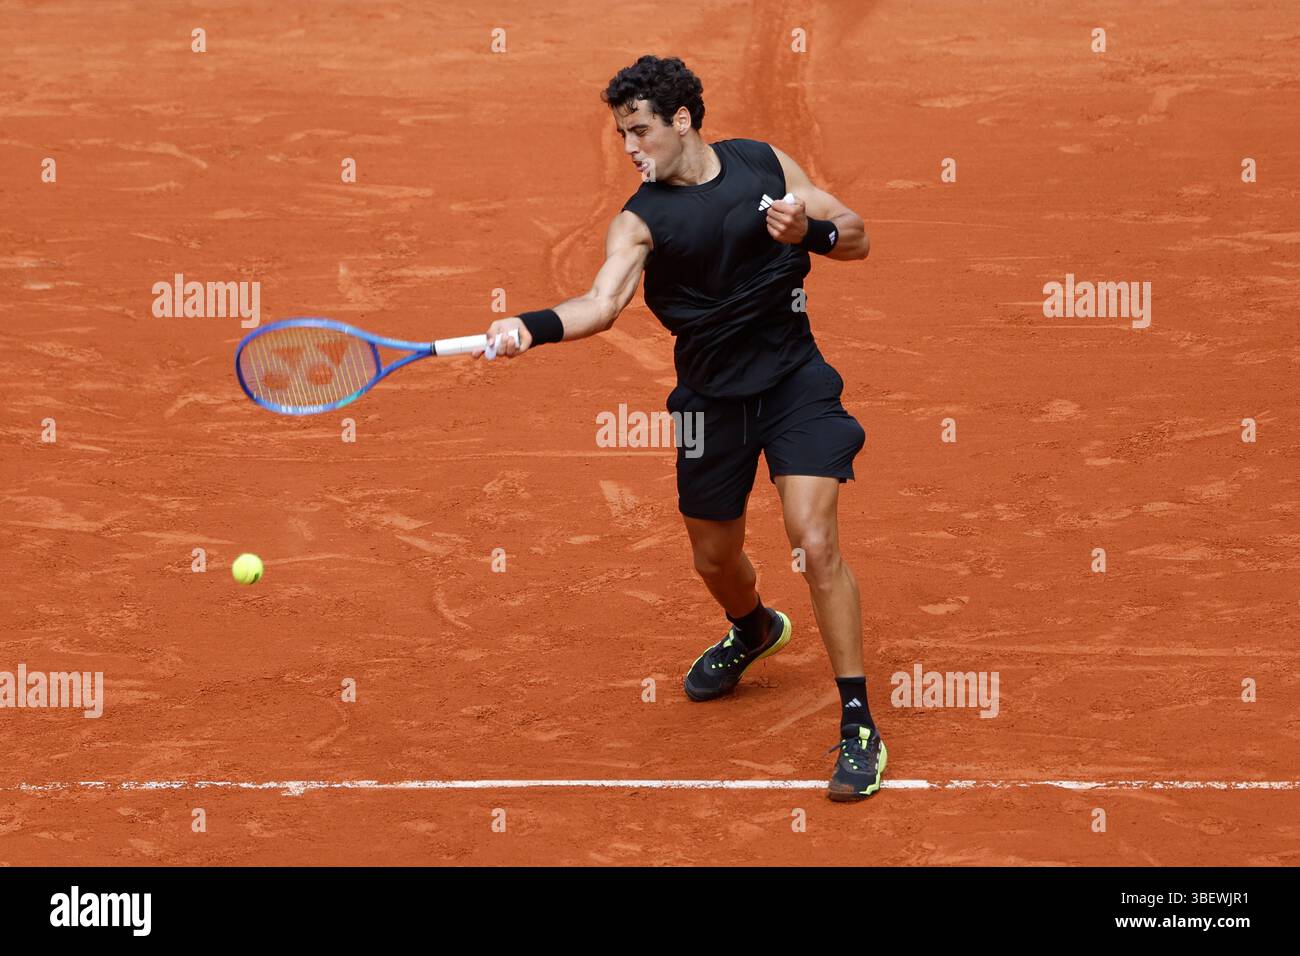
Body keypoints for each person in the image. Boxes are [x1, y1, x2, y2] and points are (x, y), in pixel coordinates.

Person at [476, 55, 885, 800]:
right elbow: (601, 305)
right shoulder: (640, 221)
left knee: (815, 541)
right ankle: (754, 629)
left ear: (683, 120)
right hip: (708, 406)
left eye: (639, 131)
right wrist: (528, 328)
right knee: (713, 559)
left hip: (797, 383)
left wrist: (809, 235)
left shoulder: (762, 164)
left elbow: (856, 235)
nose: (630, 148)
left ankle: (858, 723)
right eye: (622, 134)